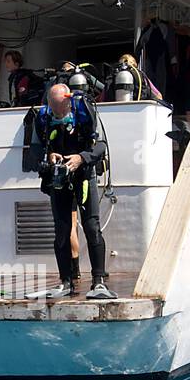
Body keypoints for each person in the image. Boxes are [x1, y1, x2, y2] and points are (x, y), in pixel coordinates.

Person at [34, 83, 115, 301]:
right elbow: (36, 150)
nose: (60, 115)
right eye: (55, 111)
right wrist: (50, 156)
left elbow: (100, 146)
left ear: (69, 101)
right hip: (59, 178)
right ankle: (65, 281)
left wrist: (81, 158)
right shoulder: (43, 118)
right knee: (62, 230)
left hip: (83, 176)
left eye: (62, 110)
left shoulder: (83, 111)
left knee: (91, 226)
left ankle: (98, 281)